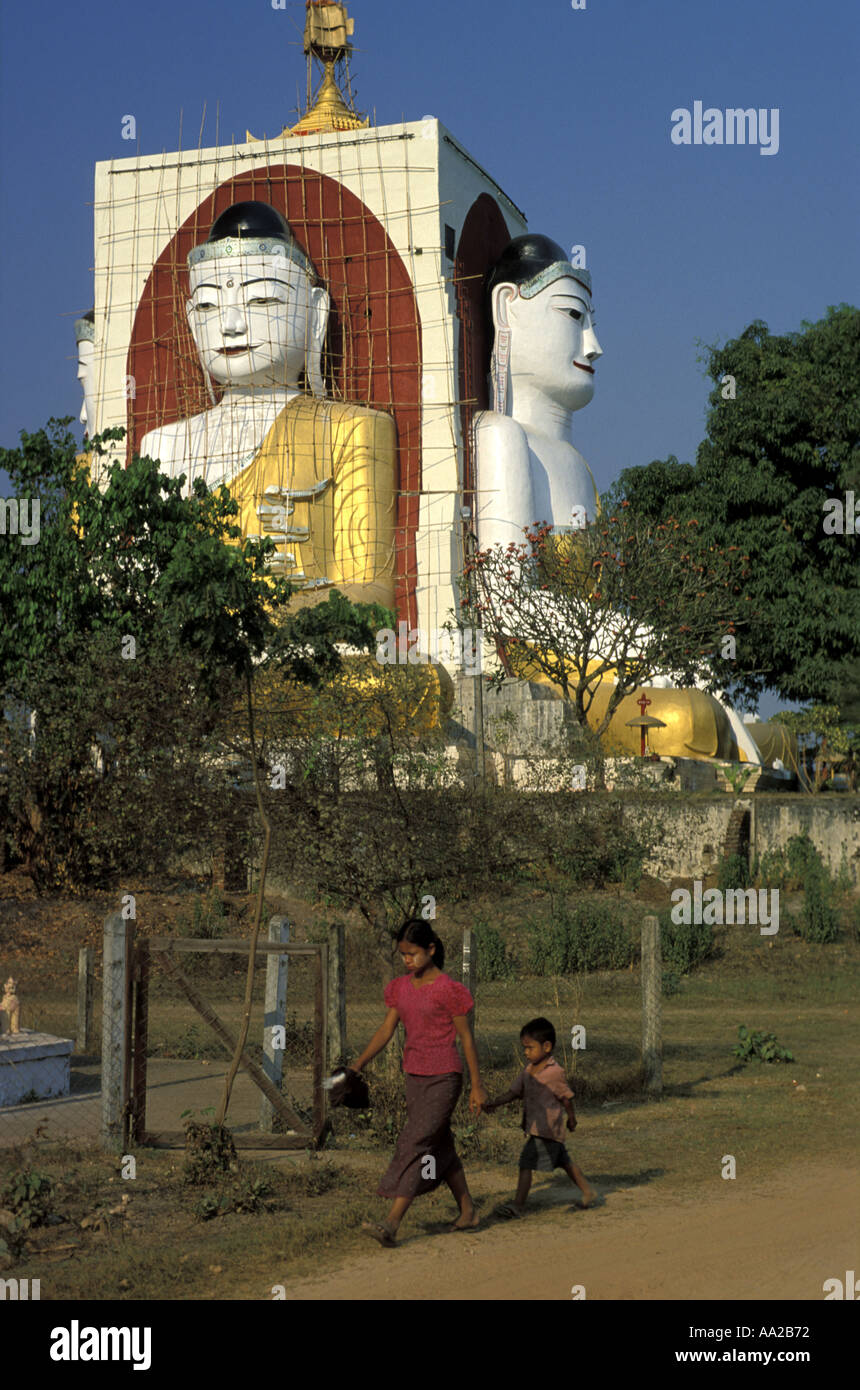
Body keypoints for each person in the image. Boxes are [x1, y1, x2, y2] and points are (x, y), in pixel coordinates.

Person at [350, 918, 487, 1246]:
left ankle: (392, 1223)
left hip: (445, 1078)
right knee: (439, 1145)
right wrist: (358, 1064)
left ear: (431, 949)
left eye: (412, 953)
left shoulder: (449, 991)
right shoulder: (400, 988)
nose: (407, 960)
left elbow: (466, 1039)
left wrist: (476, 1085)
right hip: (414, 1077)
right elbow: (386, 1030)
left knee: (415, 1143)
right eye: (402, 955)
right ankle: (468, 1210)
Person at [484, 1015, 597, 1217]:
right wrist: (495, 1103)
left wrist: (572, 1119)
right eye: (524, 1048)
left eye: (530, 1048)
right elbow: (514, 1092)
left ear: (546, 1047)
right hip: (540, 1129)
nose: (526, 1053)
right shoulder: (528, 1071)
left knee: (526, 1163)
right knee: (564, 1161)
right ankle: (588, 1192)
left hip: (546, 1129)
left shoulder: (554, 1072)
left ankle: (518, 1205)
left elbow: (566, 1098)